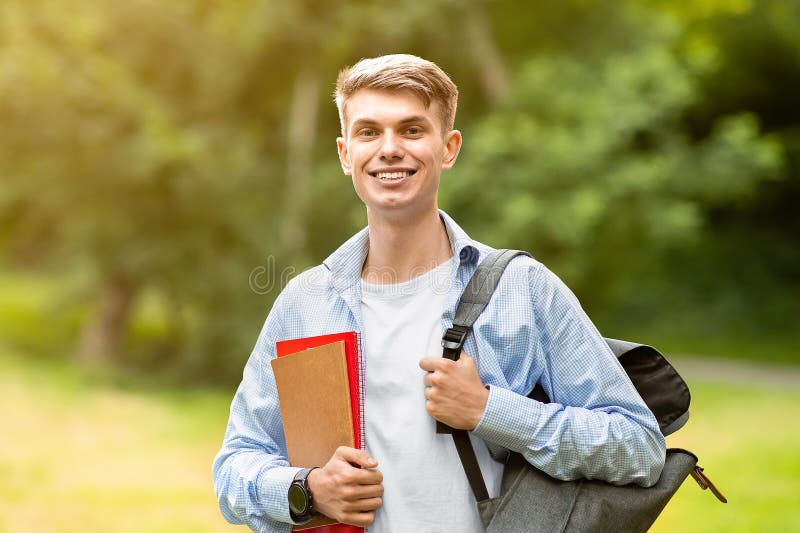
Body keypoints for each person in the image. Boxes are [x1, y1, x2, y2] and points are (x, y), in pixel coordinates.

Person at [213, 54, 666, 533]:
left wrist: (490, 410)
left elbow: (639, 446)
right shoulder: (305, 303)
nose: (390, 149)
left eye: (412, 130)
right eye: (369, 132)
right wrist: (307, 490)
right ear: (346, 154)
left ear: (448, 148)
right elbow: (236, 466)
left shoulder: (521, 288)